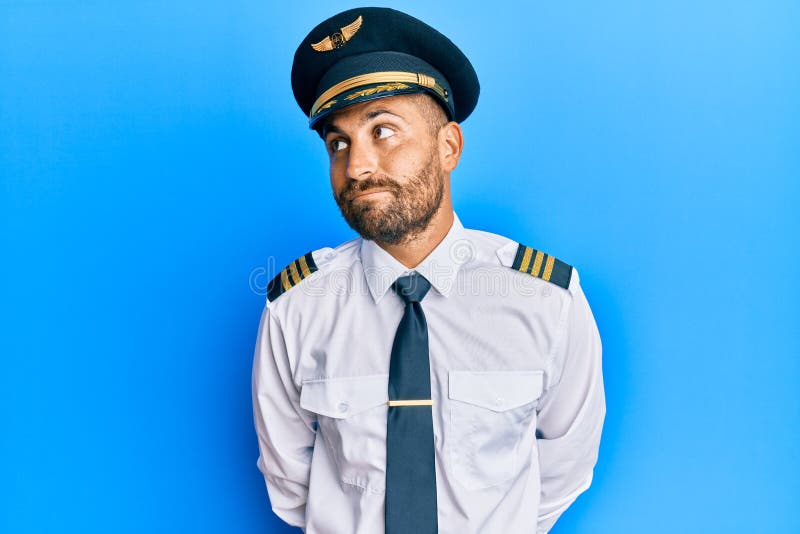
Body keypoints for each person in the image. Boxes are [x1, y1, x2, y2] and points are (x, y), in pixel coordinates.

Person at [252, 7, 605, 534]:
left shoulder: (545, 300)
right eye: (338, 143)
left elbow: (567, 461)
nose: (357, 166)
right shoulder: (297, 308)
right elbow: (288, 477)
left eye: (384, 131)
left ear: (449, 147)